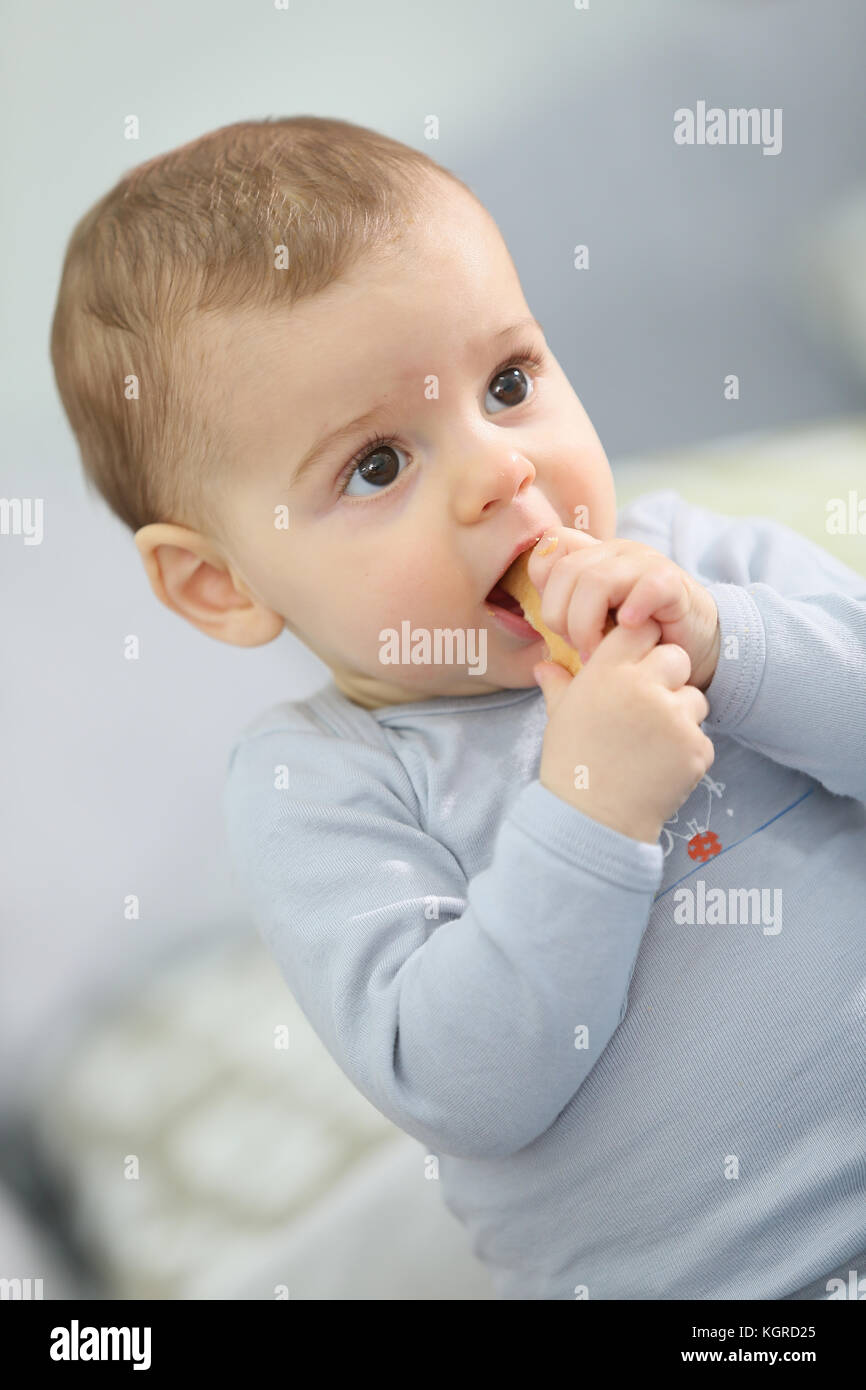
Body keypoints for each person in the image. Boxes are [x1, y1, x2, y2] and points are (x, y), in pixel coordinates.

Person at [50, 116, 866, 1300]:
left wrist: (729, 647)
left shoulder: (700, 566)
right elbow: (462, 1081)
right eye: (377, 464)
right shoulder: (325, 782)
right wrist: (587, 812)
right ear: (220, 583)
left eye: (507, 381)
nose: (501, 470)